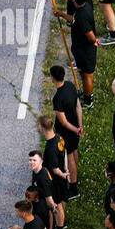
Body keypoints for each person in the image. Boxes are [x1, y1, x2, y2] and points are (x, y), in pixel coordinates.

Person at [50, 64, 83, 198]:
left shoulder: (58, 98)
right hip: (76, 126)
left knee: (69, 158)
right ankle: (76, 175)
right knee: (74, 151)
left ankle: (73, 188)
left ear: (53, 78)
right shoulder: (70, 85)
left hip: (67, 132)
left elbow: (62, 122)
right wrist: (80, 126)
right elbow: (78, 106)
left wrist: (75, 130)